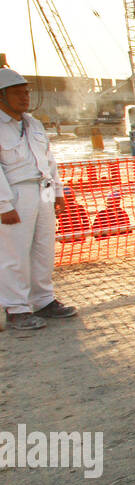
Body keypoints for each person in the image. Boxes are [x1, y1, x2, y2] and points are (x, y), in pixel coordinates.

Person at [0, 67, 76, 329]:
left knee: (44, 249)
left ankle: (43, 301)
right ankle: (16, 308)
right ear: (1, 97)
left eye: (26, 92)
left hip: (42, 189)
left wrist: (57, 192)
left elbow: (49, 160)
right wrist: (3, 204)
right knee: (14, 254)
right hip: (16, 193)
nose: (25, 98)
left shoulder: (34, 124)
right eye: (17, 93)